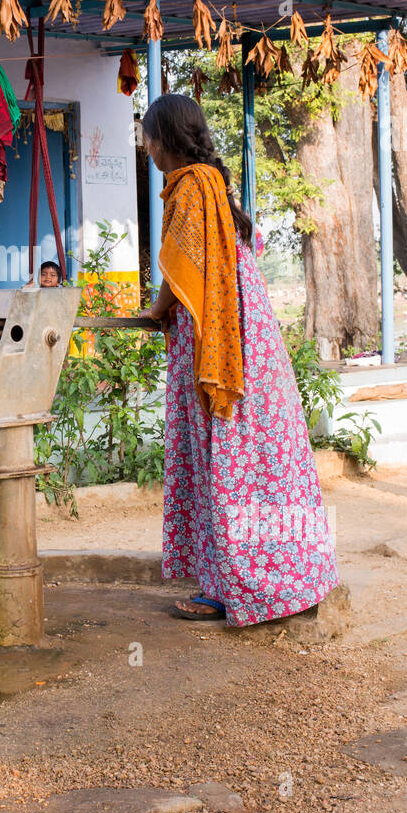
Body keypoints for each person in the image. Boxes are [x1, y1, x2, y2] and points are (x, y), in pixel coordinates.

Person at [138, 93, 339, 626]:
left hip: (216, 343)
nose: (146, 146)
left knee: (223, 453)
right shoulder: (213, 184)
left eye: (148, 136)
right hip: (249, 340)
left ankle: (236, 586)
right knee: (258, 454)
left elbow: (183, 269)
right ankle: (286, 574)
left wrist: (153, 311)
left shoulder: (189, 186)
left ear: (166, 138)